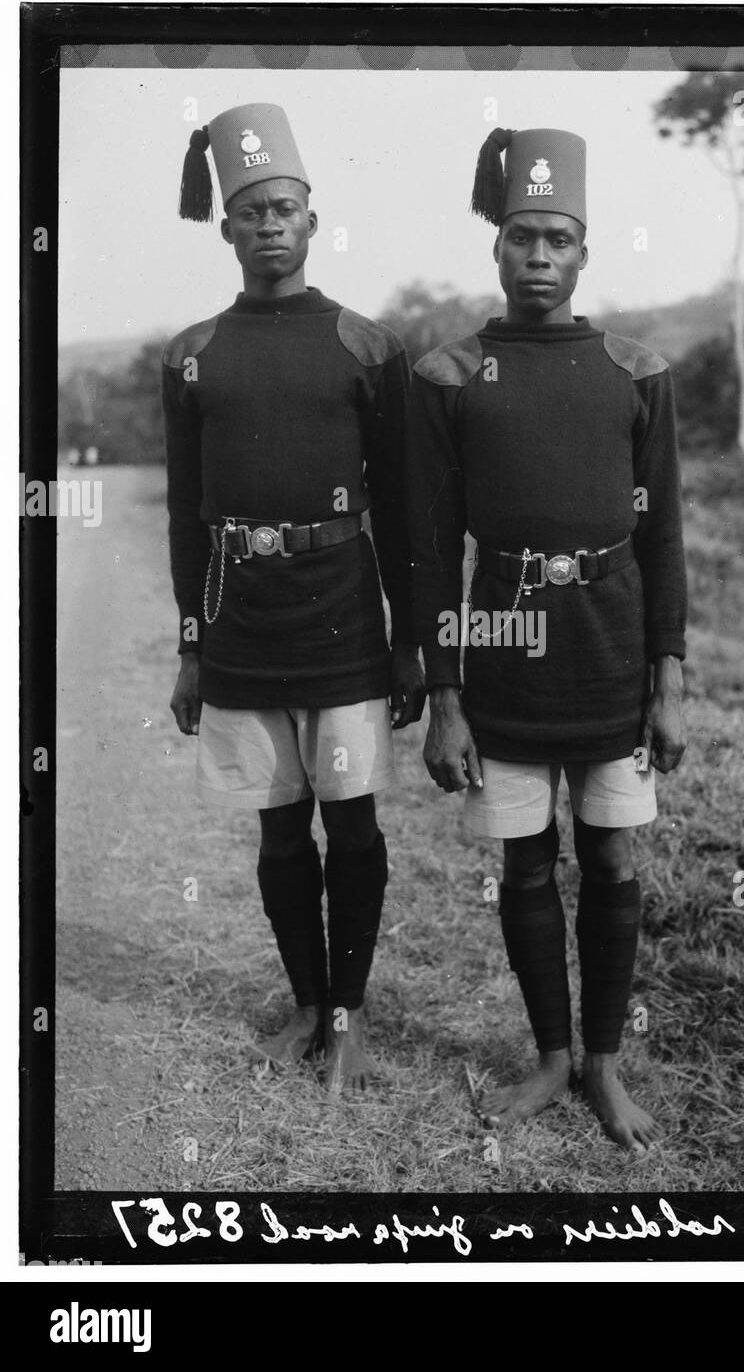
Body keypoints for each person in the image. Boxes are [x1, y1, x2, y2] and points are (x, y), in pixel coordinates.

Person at [407, 127, 687, 1150]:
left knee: (610, 857)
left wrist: (669, 680)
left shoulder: (634, 369)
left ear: (583, 252)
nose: (537, 254)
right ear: (496, 246)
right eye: (521, 235)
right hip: (502, 656)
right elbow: (432, 552)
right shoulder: (448, 374)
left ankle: (605, 1062)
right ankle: (552, 1055)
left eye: (557, 237)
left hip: (610, 652)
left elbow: (663, 536)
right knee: (524, 866)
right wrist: (444, 697)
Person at [164, 103, 424, 1088]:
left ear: (312, 223)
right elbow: (188, 515)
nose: (270, 225)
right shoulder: (191, 353)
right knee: (280, 826)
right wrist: (192, 644)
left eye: (286, 208)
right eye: (251, 211)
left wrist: (410, 645)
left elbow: (402, 513)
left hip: (346, 621)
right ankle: (308, 1006)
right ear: (227, 228)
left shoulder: (367, 346)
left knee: (350, 821)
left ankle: (349, 1021)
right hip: (241, 627)